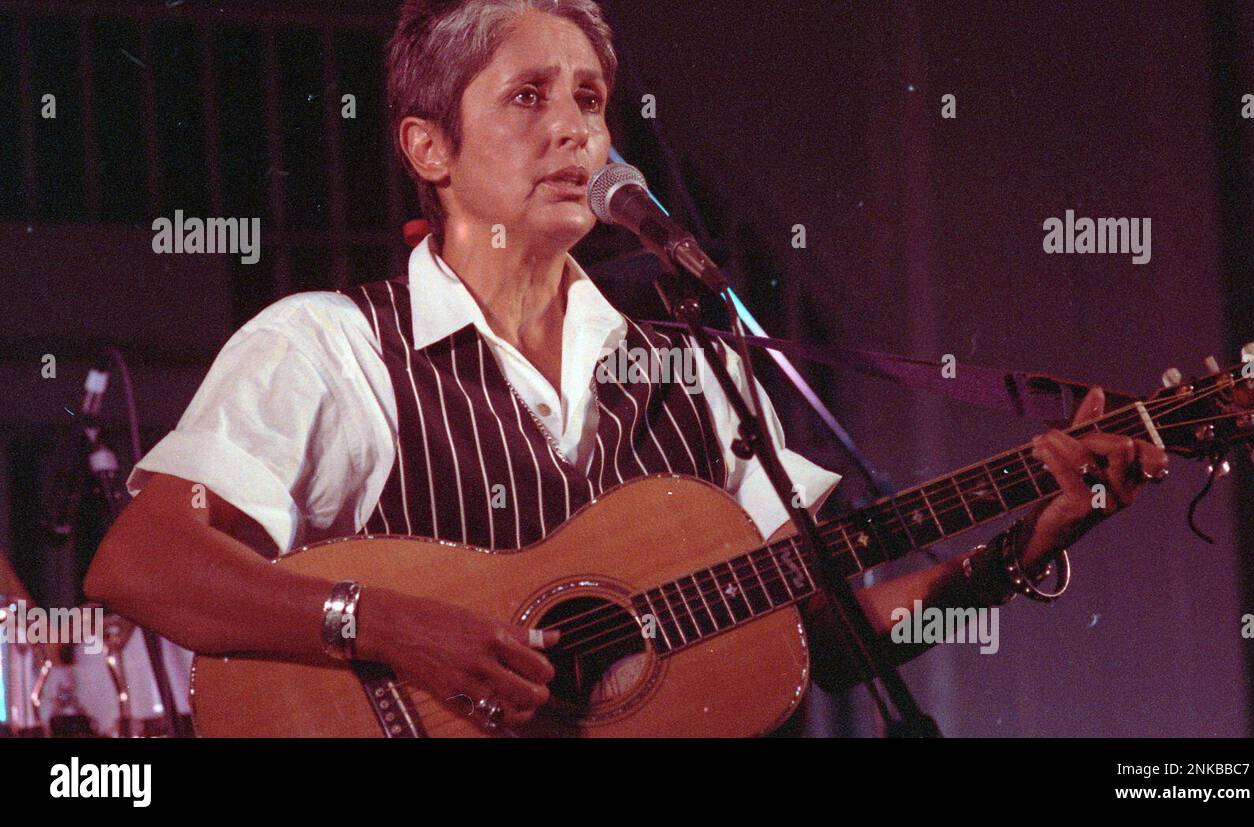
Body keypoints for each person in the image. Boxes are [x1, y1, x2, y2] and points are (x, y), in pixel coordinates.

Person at [85, 0, 1167, 734]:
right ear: (428, 149)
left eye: (590, 99)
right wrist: (385, 620)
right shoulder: (327, 344)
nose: (574, 132)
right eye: (528, 98)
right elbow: (139, 563)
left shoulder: (695, 368)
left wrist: (1007, 555)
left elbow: (830, 633)